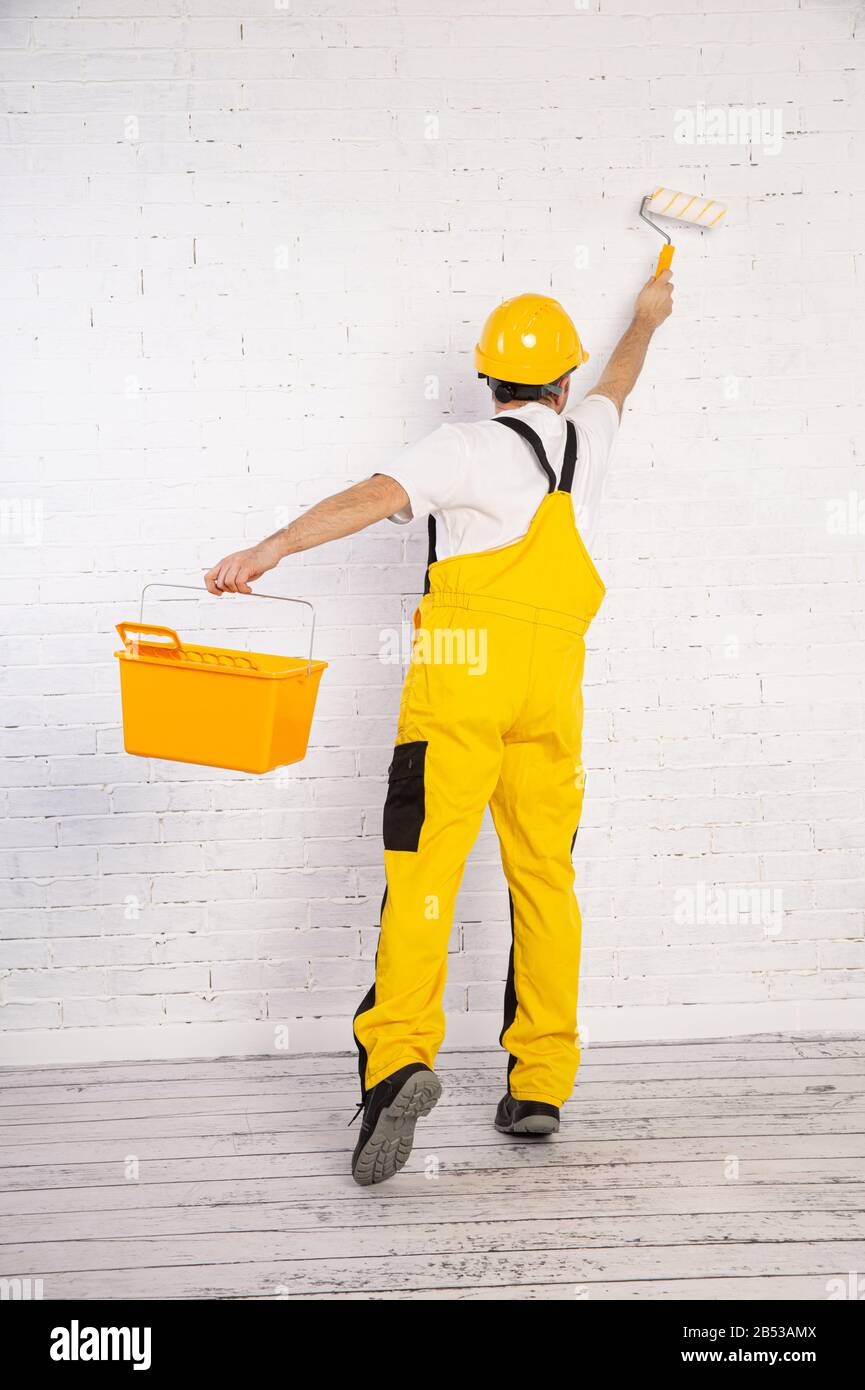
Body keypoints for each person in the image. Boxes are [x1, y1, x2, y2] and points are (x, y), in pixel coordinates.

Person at [205, 273, 674, 1187]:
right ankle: (540, 1083)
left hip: (462, 688)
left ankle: (398, 1069)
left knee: (424, 874)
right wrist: (646, 320)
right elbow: (622, 382)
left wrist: (269, 549)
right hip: (553, 703)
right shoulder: (590, 438)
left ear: (488, 379)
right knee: (546, 880)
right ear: (562, 384)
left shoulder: (464, 447)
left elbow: (372, 496)